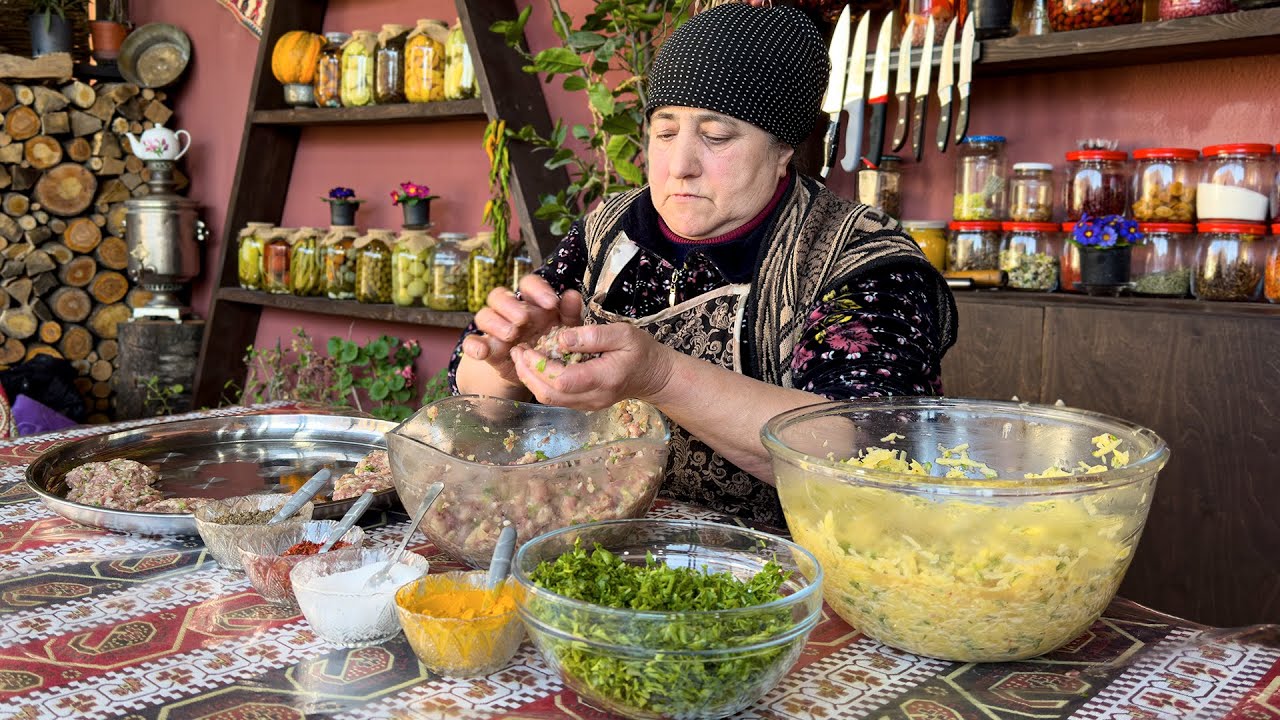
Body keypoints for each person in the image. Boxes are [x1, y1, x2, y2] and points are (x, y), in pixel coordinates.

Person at [450, 2, 957, 528]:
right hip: (601, 539)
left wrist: (660, 375)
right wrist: (508, 366)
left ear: (784, 148)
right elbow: (475, 402)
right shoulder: (608, 229)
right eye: (665, 133)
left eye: (716, 137)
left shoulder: (860, 259)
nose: (680, 166)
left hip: (783, 573)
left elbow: (864, 452)